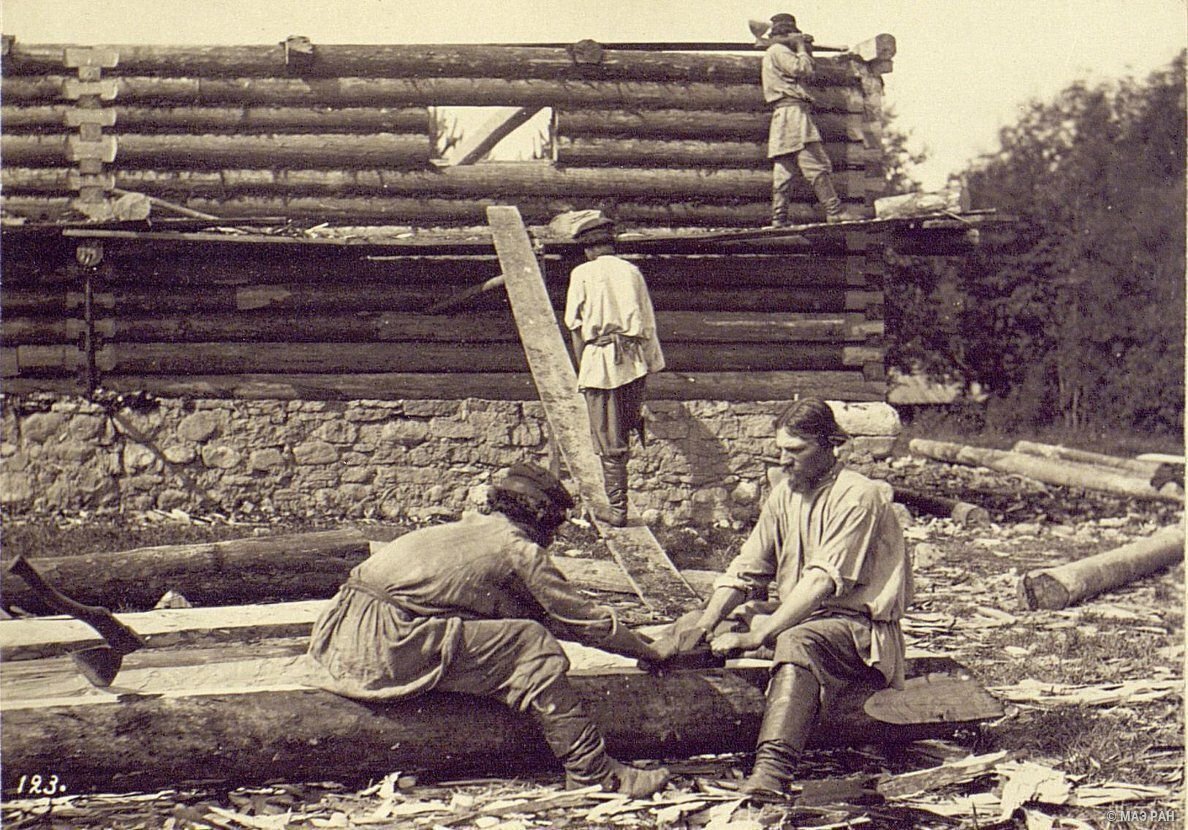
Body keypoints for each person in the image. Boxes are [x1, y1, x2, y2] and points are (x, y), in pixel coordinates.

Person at [307, 463, 675, 797]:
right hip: (382, 645)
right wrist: (651, 651)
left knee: (513, 632)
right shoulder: (517, 549)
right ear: (543, 518)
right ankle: (592, 772)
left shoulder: (469, 527)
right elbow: (581, 621)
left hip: (336, 635)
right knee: (533, 645)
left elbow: (537, 613)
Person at [662, 398, 913, 800]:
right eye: (780, 450)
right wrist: (707, 623)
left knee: (798, 641)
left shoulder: (858, 496)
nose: (784, 461)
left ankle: (771, 775)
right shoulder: (785, 494)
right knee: (694, 625)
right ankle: (662, 731)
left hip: (855, 631)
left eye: (796, 451)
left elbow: (821, 583)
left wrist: (758, 635)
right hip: (796, 616)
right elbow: (745, 569)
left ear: (832, 445)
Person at [560, 210, 665, 527]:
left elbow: (575, 327)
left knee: (609, 439)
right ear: (611, 244)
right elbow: (647, 323)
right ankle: (619, 505)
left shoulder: (582, 274)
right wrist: (651, 365)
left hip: (601, 362)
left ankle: (617, 510)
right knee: (622, 432)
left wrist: (583, 367)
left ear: (589, 249)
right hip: (634, 362)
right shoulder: (632, 272)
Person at [762, 13, 862, 226]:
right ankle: (834, 212)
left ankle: (778, 217)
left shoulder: (774, 51)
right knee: (816, 164)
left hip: (783, 116)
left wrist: (803, 48)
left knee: (784, 170)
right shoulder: (779, 50)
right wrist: (800, 47)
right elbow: (803, 69)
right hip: (793, 114)